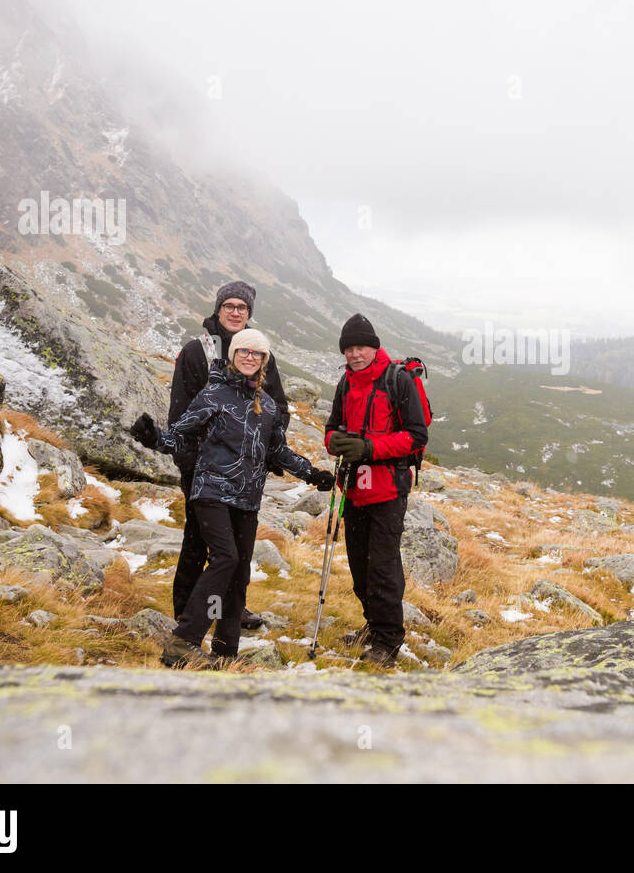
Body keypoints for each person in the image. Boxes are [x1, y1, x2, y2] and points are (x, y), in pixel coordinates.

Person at [129, 328, 334, 667]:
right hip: (210, 491)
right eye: (244, 352)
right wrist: (153, 439)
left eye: (257, 354)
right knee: (224, 558)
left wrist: (312, 474)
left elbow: (278, 452)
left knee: (238, 574)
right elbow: (181, 438)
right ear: (234, 355)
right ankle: (184, 641)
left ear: (264, 360)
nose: (250, 357)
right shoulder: (213, 394)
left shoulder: (267, 406)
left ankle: (225, 651)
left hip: (247, 500)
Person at [168, 281, 289, 631]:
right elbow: (179, 414)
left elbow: (278, 407)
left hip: (245, 473)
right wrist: (189, 465)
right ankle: (186, 612)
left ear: (249, 313)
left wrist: (269, 451)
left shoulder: (259, 351)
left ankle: (228, 611)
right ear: (218, 309)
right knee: (198, 540)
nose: (236, 312)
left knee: (237, 548)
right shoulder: (196, 352)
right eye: (230, 306)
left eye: (243, 308)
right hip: (203, 472)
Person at [324, 313, 429, 667]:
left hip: (388, 489)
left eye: (361, 347)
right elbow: (330, 429)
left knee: (382, 566)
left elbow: (416, 436)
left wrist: (369, 449)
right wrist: (334, 442)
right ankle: (373, 624)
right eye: (349, 348)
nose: (355, 353)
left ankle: (388, 640)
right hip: (354, 489)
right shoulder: (346, 383)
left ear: (374, 348)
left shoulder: (398, 381)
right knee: (359, 564)